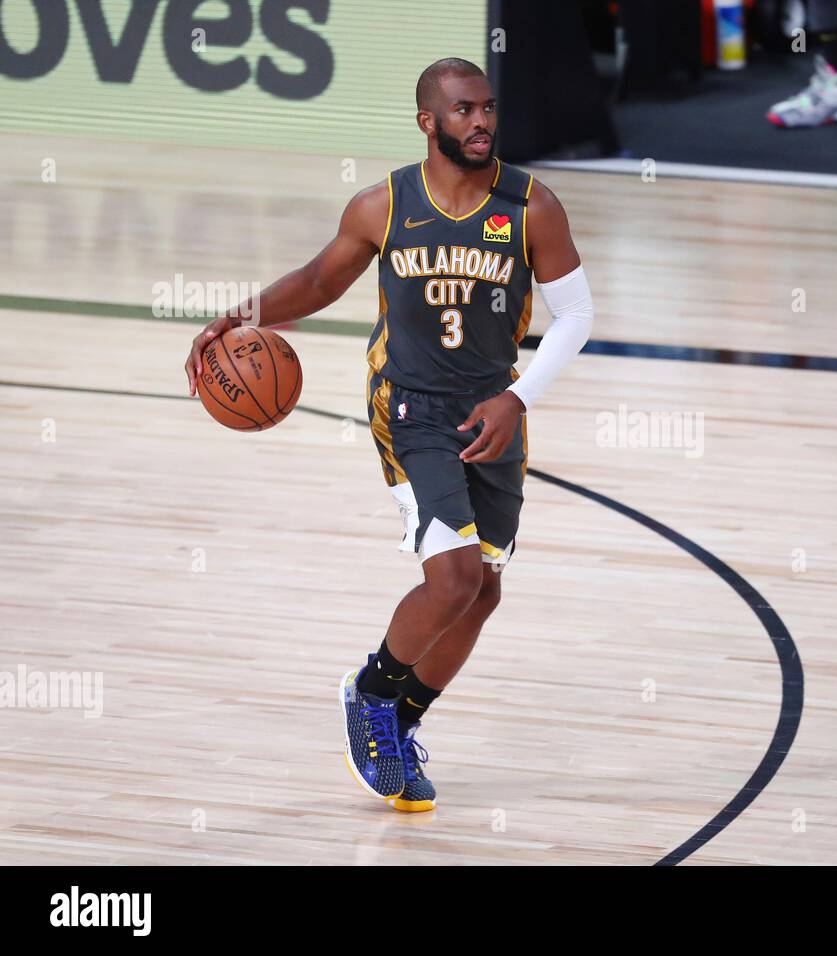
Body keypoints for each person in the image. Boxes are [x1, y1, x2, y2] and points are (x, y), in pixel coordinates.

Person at [183, 58, 593, 813]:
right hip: (409, 409)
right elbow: (318, 280)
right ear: (427, 121)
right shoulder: (384, 205)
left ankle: (400, 723)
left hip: (493, 407)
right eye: (464, 110)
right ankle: (369, 693)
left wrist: (518, 397)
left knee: (486, 592)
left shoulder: (533, 207)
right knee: (455, 579)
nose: (482, 123)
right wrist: (240, 317)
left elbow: (577, 316)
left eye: (488, 109)